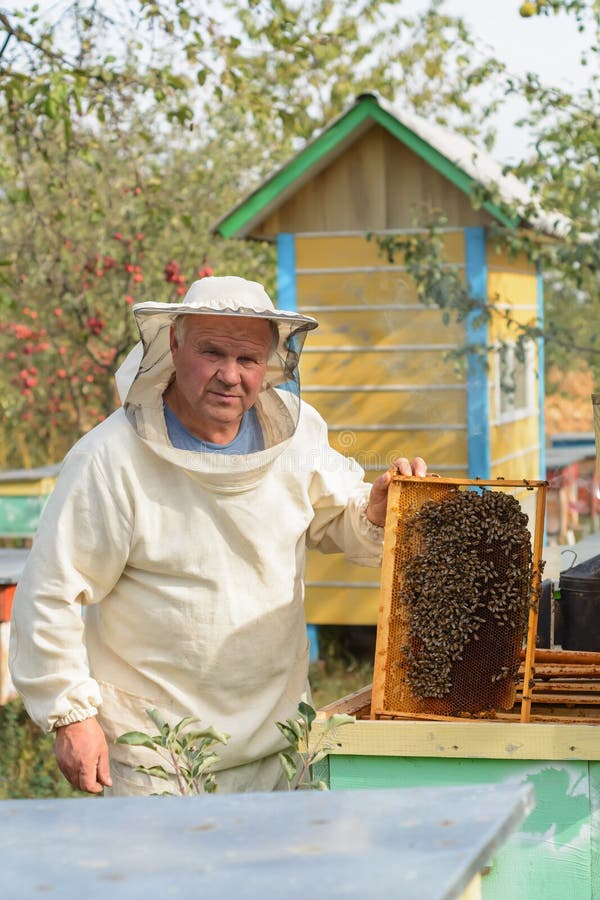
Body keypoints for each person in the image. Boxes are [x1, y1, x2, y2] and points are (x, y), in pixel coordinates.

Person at [9, 275, 426, 796]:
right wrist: (70, 715)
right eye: (212, 353)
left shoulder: (298, 437)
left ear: (271, 361)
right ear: (175, 344)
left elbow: (340, 519)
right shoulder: (109, 460)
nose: (230, 376)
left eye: (249, 360)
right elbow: (50, 590)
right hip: (155, 755)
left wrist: (379, 511)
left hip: (280, 741)